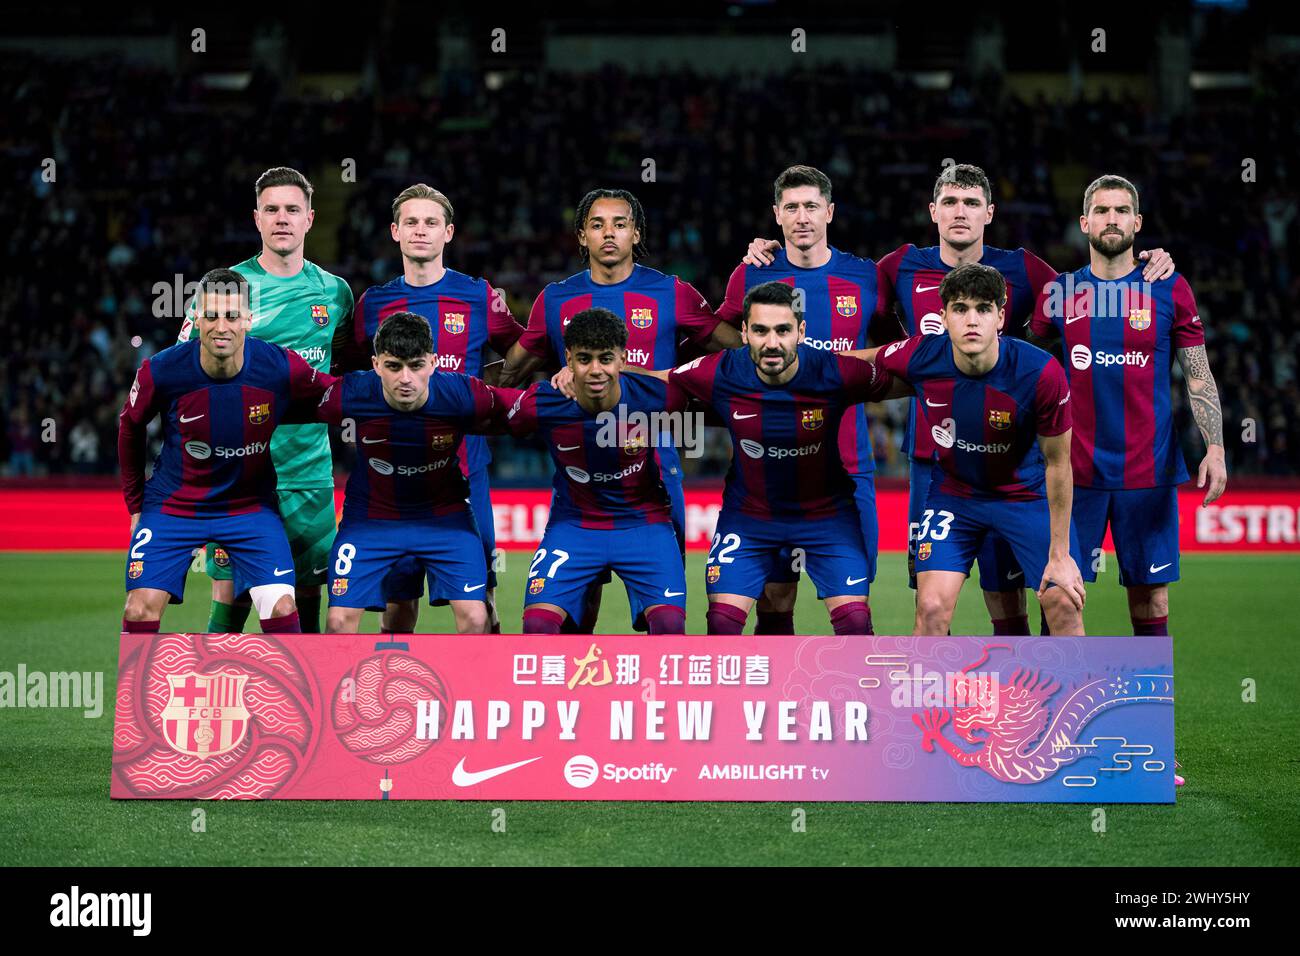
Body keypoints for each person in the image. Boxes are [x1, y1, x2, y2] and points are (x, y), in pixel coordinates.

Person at [746, 162, 1173, 635]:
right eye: (950, 202)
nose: (960, 213)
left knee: (1009, 591)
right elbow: (841, 285)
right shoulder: (900, 266)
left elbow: (1090, 288)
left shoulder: (1024, 269)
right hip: (935, 462)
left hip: (1014, 463)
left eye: (971, 203)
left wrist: (1140, 261)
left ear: (988, 212)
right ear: (933, 211)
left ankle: (1027, 699)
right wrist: (771, 253)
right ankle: (936, 704)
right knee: (933, 600)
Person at [1028, 175, 1227, 786]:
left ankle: (1149, 744)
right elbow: (1023, 367)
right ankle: (1050, 736)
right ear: (1084, 224)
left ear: (1138, 224)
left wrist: (1215, 444)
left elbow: (1197, 373)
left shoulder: (1169, 286)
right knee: (1058, 595)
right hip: (1074, 476)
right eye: (1100, 210)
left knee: (1152, 601)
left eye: (1122, 210)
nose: (1111, 219)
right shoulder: (1059, 296)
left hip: (1148, 472)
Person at [500, 188, 740, 631]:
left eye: (620, 223)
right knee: (574, 612)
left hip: (655, 470)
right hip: (577, 474)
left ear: (636, 233)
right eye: (597, 224)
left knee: (663, 621)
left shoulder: (673, 293)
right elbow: (508, 376)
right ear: (581, 237)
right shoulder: (554, 300)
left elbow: (736, 356)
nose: (609, 233)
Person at [640, 281, 905, 635]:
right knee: (721, 623)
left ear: (801, 332)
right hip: (750, 518)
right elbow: (655, 383)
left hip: (826, 516)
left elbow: (911, 382)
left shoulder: (834, 371)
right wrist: (586, 378)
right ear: (745, 332)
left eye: (783, 330)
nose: (772, 343)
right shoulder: (721, 370)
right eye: (761, 331)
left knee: (856, 621)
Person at [331, 183, 524, 632]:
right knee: (400, 606)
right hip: (390, 480)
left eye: (431, 222)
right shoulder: (373, 303)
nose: (421, 231)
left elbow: (522, 350)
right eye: (412, 222)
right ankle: (397, 693)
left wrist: (485, 385)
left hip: (464, 475)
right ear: (395, 231)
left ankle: (482, 694)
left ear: (449, 232)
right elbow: (354, 374)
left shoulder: (478, 295)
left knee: (483, 603)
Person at [715, 165, 896, 635]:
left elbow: (894, 355)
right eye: (791, 207)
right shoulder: (752, 276)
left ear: (830, 212)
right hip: (768, 476)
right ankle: (776, 705)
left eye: (811, 206)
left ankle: (858, 706)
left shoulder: (865, 278)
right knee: (775, 599)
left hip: (848, 470)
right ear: (776, 215)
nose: (802, 217)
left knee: (855, 605)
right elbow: (719, 345)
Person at [862, 263, 1086, 636]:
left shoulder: (1041, 372)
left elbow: (1059, 464)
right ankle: (928, 695)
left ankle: (1077, 695)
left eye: (983, 309)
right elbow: (859, 364)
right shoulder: (921, 354)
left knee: (1063, 600)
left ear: (1000, 317)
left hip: (1025, 496)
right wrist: (797, 363)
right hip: (955, 496)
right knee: (931, 607)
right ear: (943, 317)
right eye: (960, 309)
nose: (972, 319)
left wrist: (1060, 555)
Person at [177, 167, 353, 634]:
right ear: (256, 218)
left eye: (292, 210)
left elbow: (337, 377)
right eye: (271, 209)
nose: (282, 219)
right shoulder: (224, 290)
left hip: (309, 472)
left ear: (310, 219)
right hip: (238, 473)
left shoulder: (336, 293)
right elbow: (185, 378)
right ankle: (218, 696)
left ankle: (309, 700)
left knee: (309, 591)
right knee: (231, 589)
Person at [120, 269, 331, 634]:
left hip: (249, 506)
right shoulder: (161, 371)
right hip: (175, 505)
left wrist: (395, 393)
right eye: (212, 315)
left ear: (249, 319)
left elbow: (335, 395)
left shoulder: (278, 366)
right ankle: (136, 692)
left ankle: (295, 690)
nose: (222, 326)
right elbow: (130, 428)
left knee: (281, 605)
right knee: (140, 608)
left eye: (232, 316)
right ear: (196, 318)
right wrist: (136, 505)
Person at [302, 312, 499, 634]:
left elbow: (520, 411)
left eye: (416, 366)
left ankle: (469, 686)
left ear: (433, 363)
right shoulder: (350, 393)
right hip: (371, 519)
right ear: (376, 364)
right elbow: (289, 399)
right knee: (339, 622)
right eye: (394, 366)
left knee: (477, 617)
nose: (405, 378)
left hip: (445, 519)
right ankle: (361, 682)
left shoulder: (463, 394)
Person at [495, 308, 689, 634]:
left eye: (605, 358)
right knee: (538, 625)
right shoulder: (541, 402)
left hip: (644, 523)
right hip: (575, 525)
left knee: (669, 625)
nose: (596, 370)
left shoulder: (659, 397)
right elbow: (483, 408)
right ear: (568, 360)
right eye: (584, 359)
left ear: (623, 359)